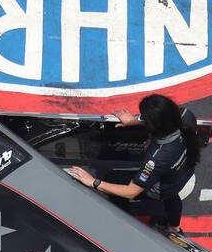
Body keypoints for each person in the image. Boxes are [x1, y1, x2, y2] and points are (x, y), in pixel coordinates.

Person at [65, 93, 201, 233]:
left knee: (113, 178)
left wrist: (94, 182)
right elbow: (168, 122)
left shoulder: (155, 158)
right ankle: (175, 228)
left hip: (161, 187)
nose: (140, 118)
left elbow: (131, 191)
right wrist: (134, 121)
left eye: (143, 117)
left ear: (154, 125)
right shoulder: (187, 115)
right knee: (171, 194)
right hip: (183, 173)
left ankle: (125, 226)